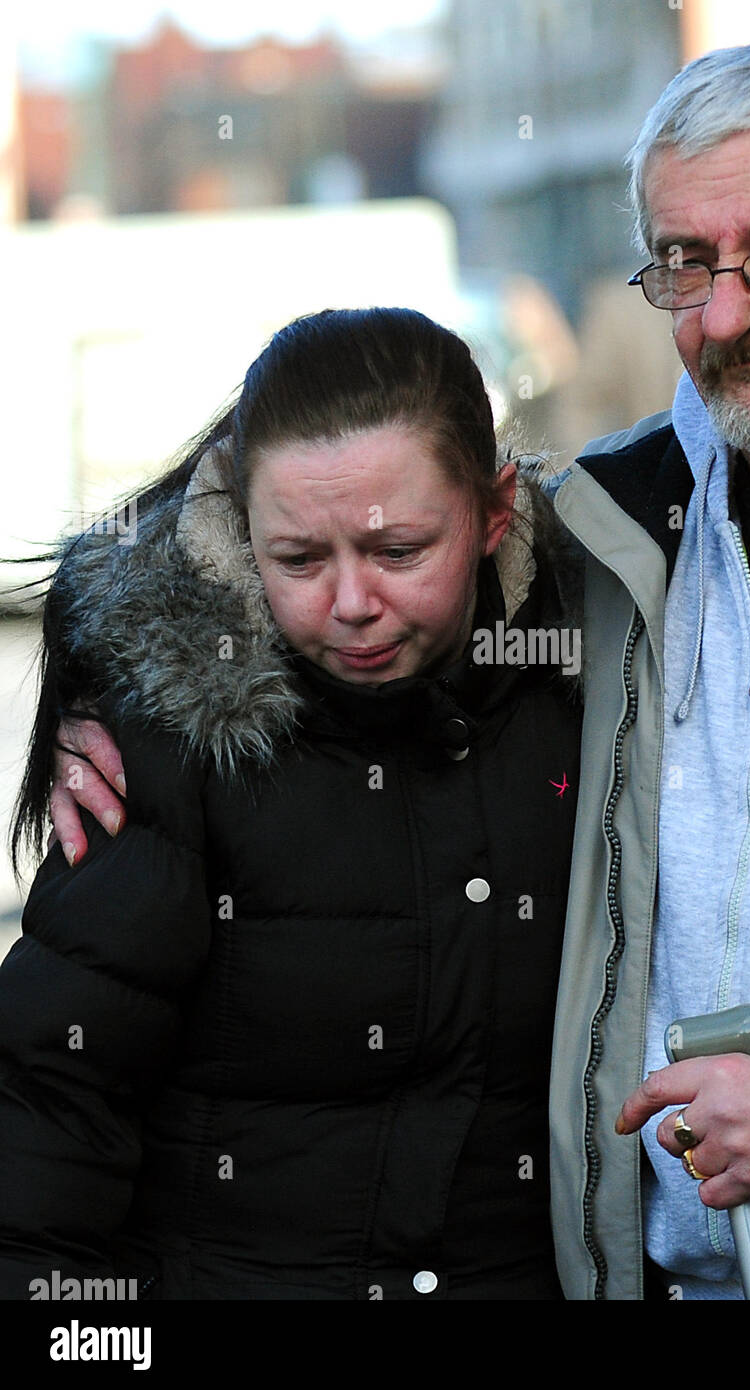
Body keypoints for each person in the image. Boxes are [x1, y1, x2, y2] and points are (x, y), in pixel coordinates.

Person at [46, 36, 750, 1304]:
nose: (725, 312)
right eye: (685, 262)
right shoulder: (605, 532)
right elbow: (329, 527)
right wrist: (120, 695)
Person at [0, 306, 582, 1300]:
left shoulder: (593, 684)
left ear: (495, 513)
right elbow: (50, 1107)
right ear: (241, 531)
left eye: (398, 550)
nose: (350, 602)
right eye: (299, 560)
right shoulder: (169, 744)